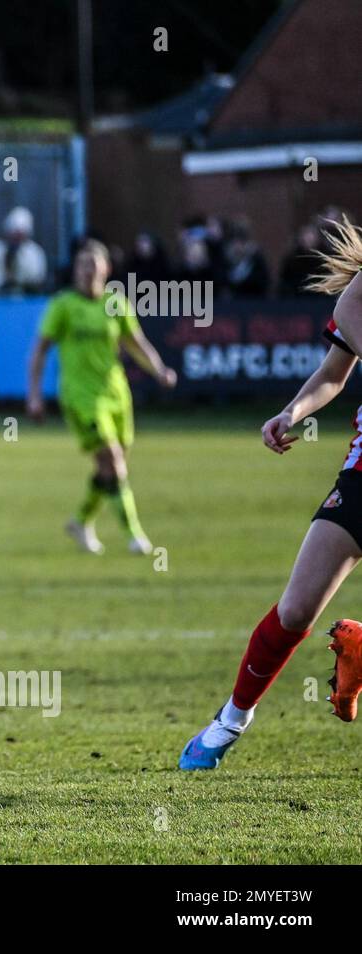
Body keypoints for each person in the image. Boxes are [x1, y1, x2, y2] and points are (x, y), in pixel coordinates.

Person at [179, 217, 362, 768]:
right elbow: (335, 372)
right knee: (297, 608)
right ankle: (229, 722)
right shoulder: (360, 295)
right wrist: (293, 411)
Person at [26, 239, 177, 556]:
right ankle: (135, 535)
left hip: (116, 394)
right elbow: (40, 352)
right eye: (82, 265)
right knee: (113, 460)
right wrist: (35, 396)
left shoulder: (115, 303)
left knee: (111, 467)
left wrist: (159, 369)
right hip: (81, 397)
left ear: (106, 269)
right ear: (75, 271)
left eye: (94, 265)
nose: (88, 271)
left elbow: (136, 343)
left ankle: (80, 521)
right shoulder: (63, 305)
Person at [0, 206, 47, 294]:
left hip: (27, 299)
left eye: (20, 234)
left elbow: (37, 277)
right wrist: (3, 279)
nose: (17, 237)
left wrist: (17, 279)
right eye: (14, 233)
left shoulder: (34, 252)